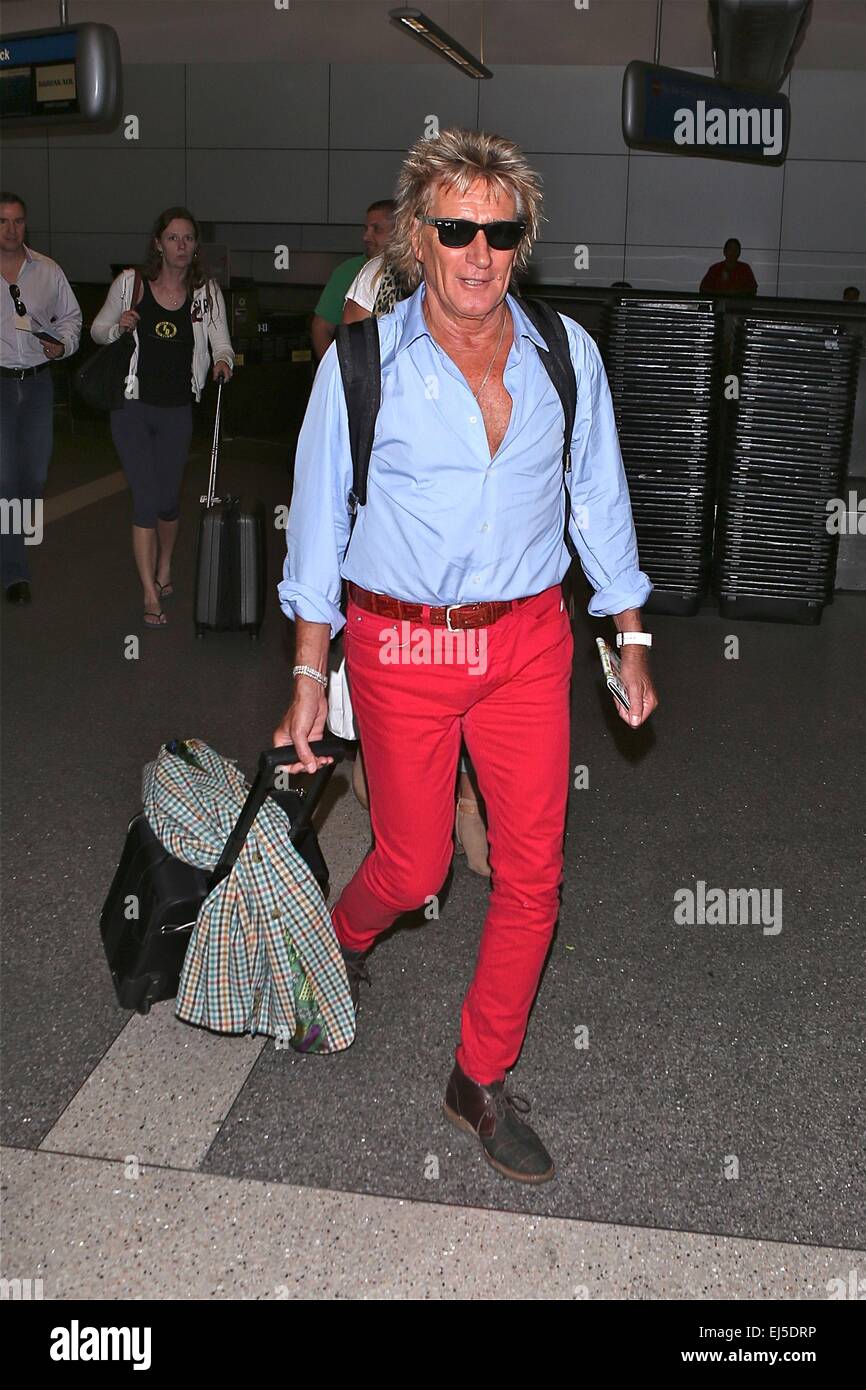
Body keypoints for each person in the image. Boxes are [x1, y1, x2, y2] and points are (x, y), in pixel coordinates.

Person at [275, 127, 657, 1185]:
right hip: (398, 639)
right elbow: (312, 526)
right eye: (457, 229)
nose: (478, 252)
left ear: (519, 240)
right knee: (415, 861)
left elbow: (597, 499)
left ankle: (476, 1076)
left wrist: (625, 635)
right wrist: (310, 675)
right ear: (416, 236)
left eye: (498, 231)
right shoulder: (361, 365)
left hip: (529, 639)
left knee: (532, 872)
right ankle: (340, 943)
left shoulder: (563, 356)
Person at [342, 247, 491, 876]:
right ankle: (407, 781)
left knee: (464, 678)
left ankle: (461, 797)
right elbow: (345, 349)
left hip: (470, 564)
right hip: (386, 508)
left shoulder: (483, 317)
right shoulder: (375, 289)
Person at [91, 207, 234, 627]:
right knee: (145, 498)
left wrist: (224, 363)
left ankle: (165, 564)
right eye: (173, 238)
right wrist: (120, 324)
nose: (181, 245)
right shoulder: (130, 285)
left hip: (177, 409)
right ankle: (149, 592)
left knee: (169, 501)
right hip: (132, 407)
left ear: (196, 246)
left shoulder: (205, 292)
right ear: (158, 243)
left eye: (188, 238)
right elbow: (98, 332)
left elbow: (221, 342)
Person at [0, 192, 82, 604]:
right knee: (5, 478)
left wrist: (62, 345)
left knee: (33, 476)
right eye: (2, 221)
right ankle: (15, 572)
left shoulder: (47, 271)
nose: (11, 229)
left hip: (36, 383)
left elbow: (72, 318)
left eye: (17, 221)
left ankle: (11, 532)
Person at [311, 200, 395, 360]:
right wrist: (337, 374)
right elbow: (321, 328)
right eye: (366, 229)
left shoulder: (416, 272)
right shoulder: (348, 271)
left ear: (399, 231)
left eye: (376, 229)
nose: (366, 237)